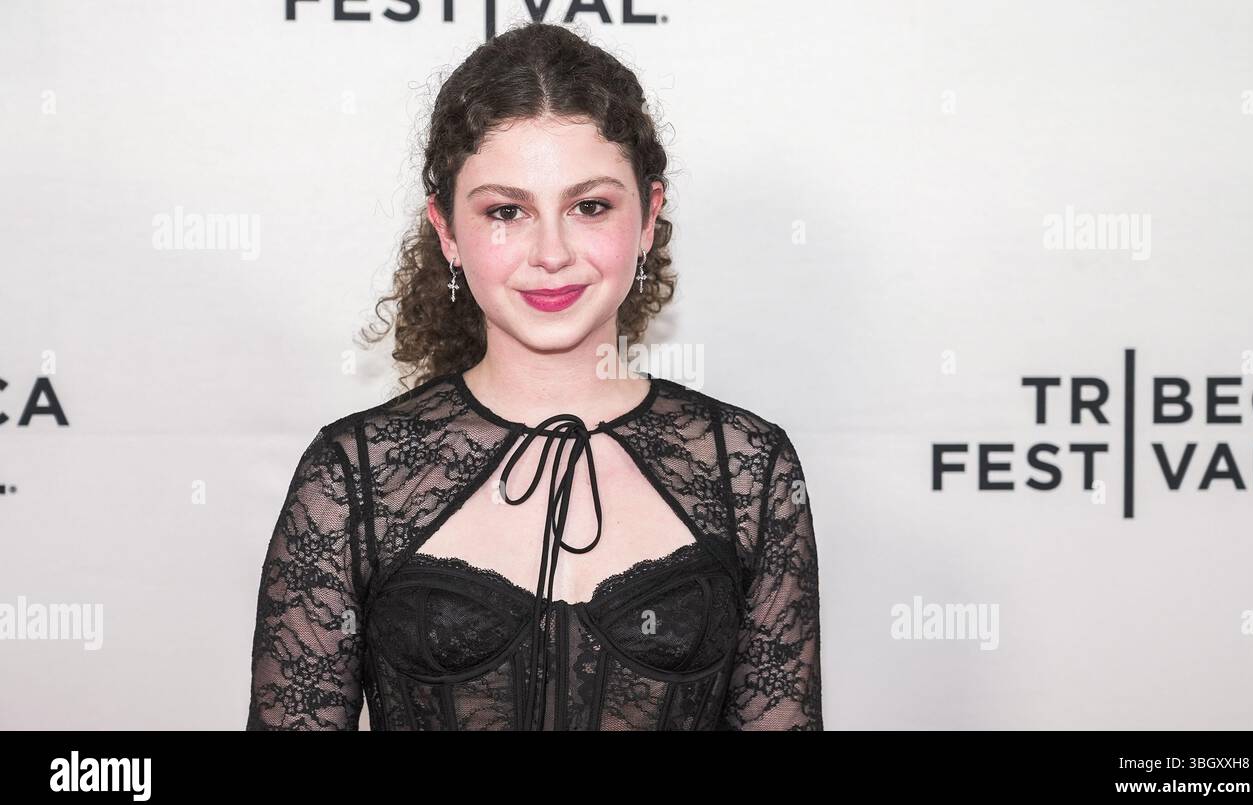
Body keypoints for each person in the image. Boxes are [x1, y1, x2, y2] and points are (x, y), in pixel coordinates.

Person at [246, 21, 822, 731]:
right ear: (447, 232)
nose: (552, 252)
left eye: (589, 206)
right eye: (506, 211)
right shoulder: (350, 477)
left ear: (648, 218)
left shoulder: (750, 472)